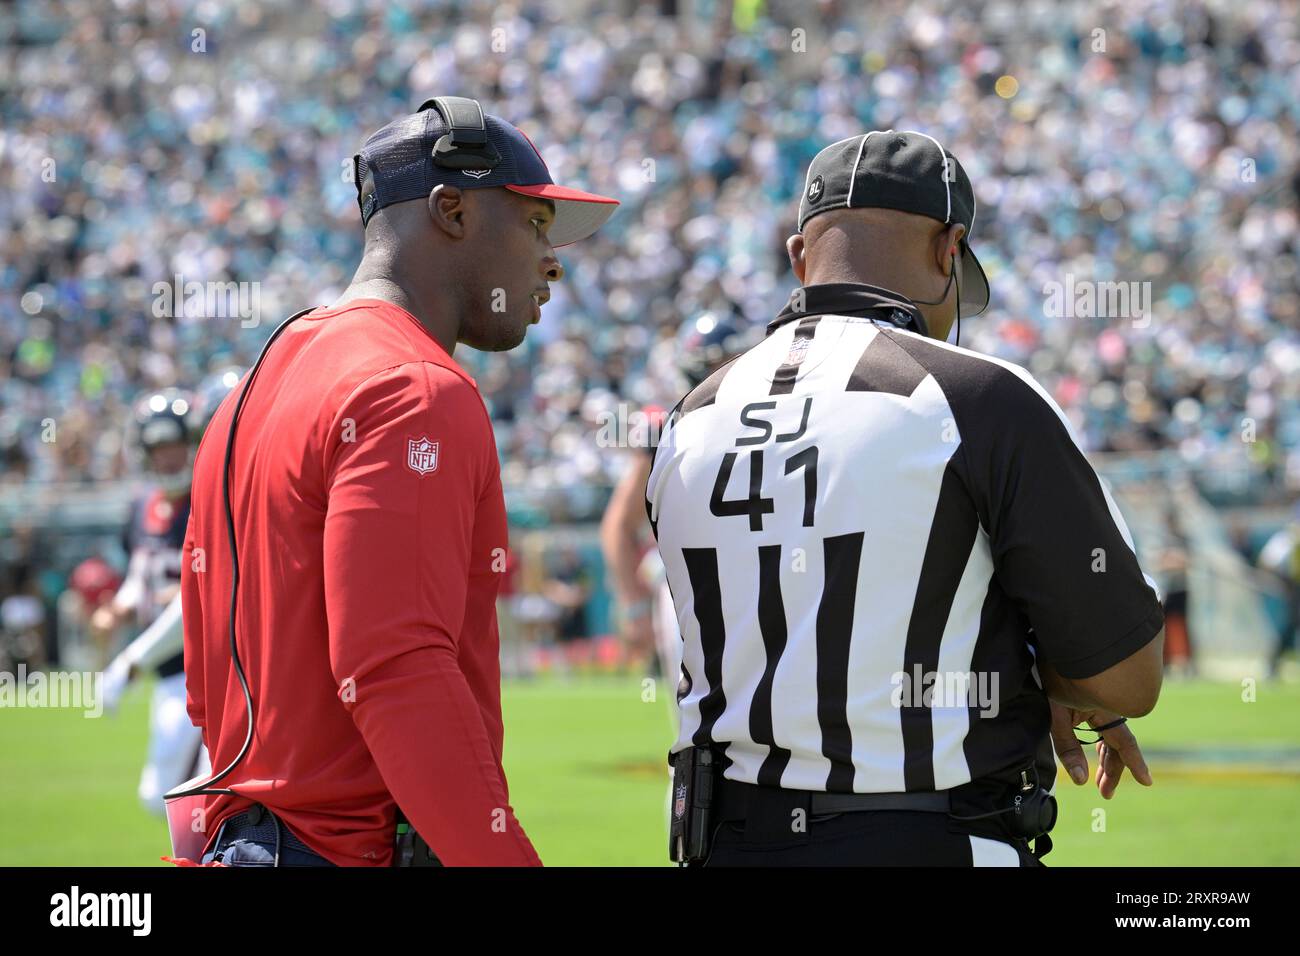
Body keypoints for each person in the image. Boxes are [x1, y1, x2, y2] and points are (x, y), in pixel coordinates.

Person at [645, 130, 1165, 866]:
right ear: (949, 250)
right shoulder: (977, 396)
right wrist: (1051, 676)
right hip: (923, 837)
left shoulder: (690, 414)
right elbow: (1129, 678)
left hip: (722, 841)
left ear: (800, 256)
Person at [177, 96, 617, 866]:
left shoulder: (251, 389)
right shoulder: (414, 386)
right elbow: (396, 670)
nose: (552, 260)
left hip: (240, 839)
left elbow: (206, 689)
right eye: (535, 225)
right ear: (452, 210)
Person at [91, 387, 209, 815]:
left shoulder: (208, 501)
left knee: (190, 797)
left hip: (206, 670)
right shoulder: (142, 505)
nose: (169, 457)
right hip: (166, 671)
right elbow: (141, 578)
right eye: (159, 447)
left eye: (176, 445)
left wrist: (129, 662)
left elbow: (193, 599)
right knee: (163, 799)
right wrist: (121, 607)